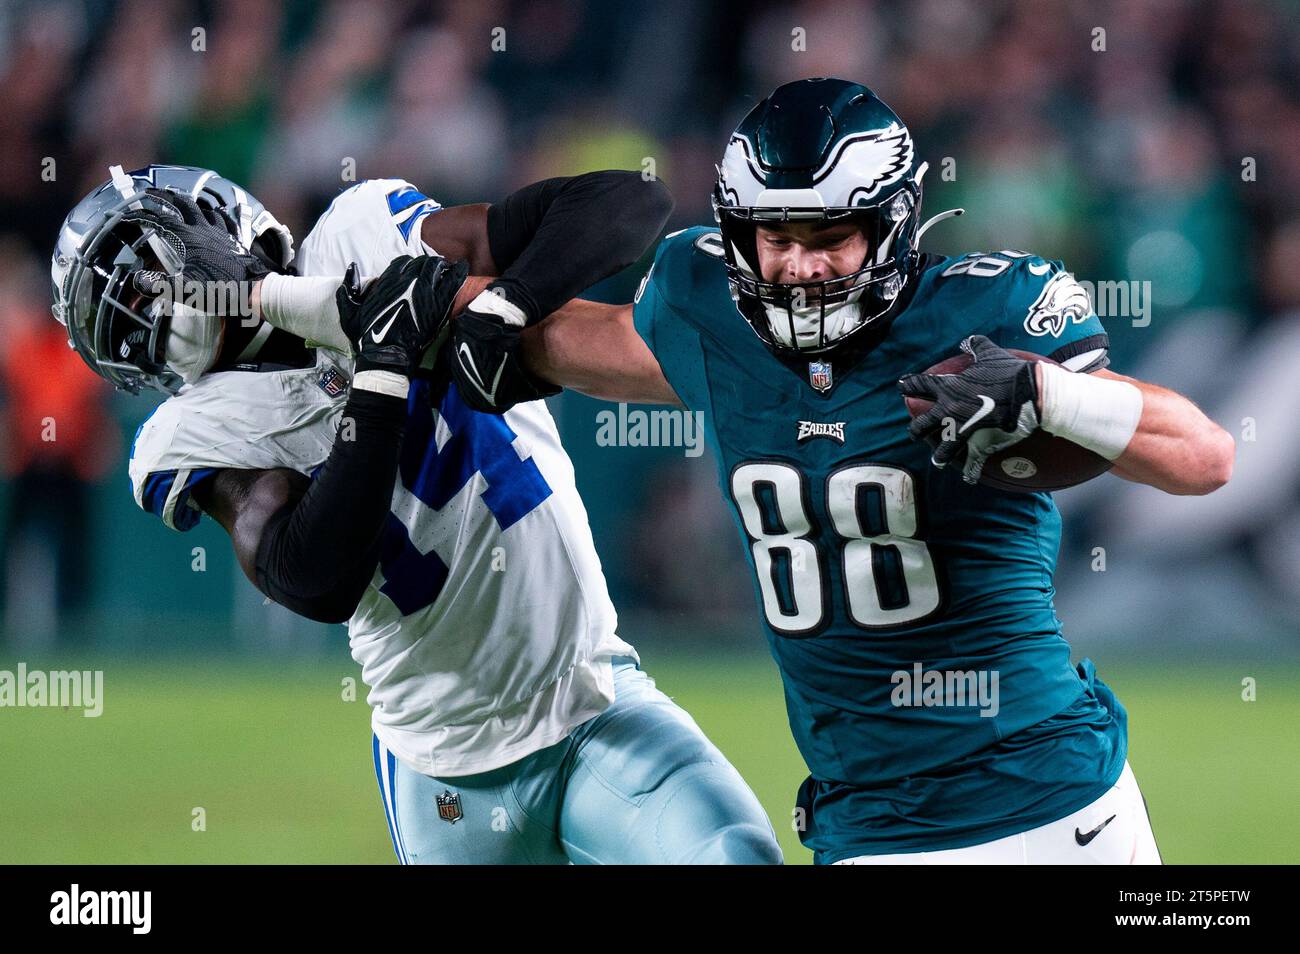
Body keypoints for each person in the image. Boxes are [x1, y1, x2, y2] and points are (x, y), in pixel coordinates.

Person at [465, 79, 1236, 864]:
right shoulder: (709, 321)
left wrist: (1047, 390)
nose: (800, 266)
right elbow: (575, 345)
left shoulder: (979, 317)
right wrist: (404, 306)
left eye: (829, 235)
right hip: (868, 820)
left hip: (1047, 790)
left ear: (893, 223)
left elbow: (1204, 456)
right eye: (775, 237)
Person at [49, 163, 781, 865]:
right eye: (124, 309)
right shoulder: (191, 432)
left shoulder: (363, 235)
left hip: (595, 696)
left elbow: (628, 203)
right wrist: (379, 372)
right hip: (447, 771)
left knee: (735, 854)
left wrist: (508, 303)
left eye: (151, 275)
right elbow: (313, 578)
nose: (154, 310)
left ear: (221, 224)